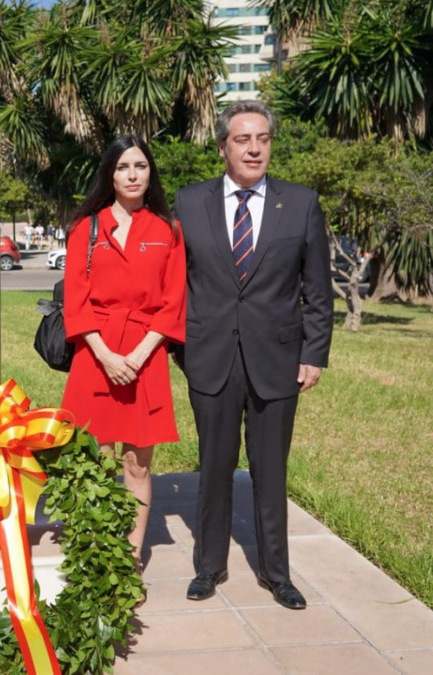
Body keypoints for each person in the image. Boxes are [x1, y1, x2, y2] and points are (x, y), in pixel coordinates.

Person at [173, 100, 332, 609]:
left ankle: (276, 572)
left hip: (277, 360)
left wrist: (315, 353)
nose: (254, 148)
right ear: (223, 146)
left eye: (262, 138)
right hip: (210, 357)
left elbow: (319, 290)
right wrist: (182, 348)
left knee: (271, 470)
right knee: (213, 467)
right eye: (243, 139)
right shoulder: (190, 202)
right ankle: (209, 566)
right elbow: (177, 284)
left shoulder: (301, 203)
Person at [61, 134, 186, 574]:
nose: (132, 175)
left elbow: (173, 303)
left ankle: (130, 560)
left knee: (137, 464)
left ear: (150, 174)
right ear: (109, 175)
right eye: (122, 167)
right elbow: (75, 302)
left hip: (145, 357)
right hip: (94, 357)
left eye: (140, 166)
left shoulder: (167, 230)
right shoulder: (85, 229)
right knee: (93, 461)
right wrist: (107, 355)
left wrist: (138, 352)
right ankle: (93, 552)